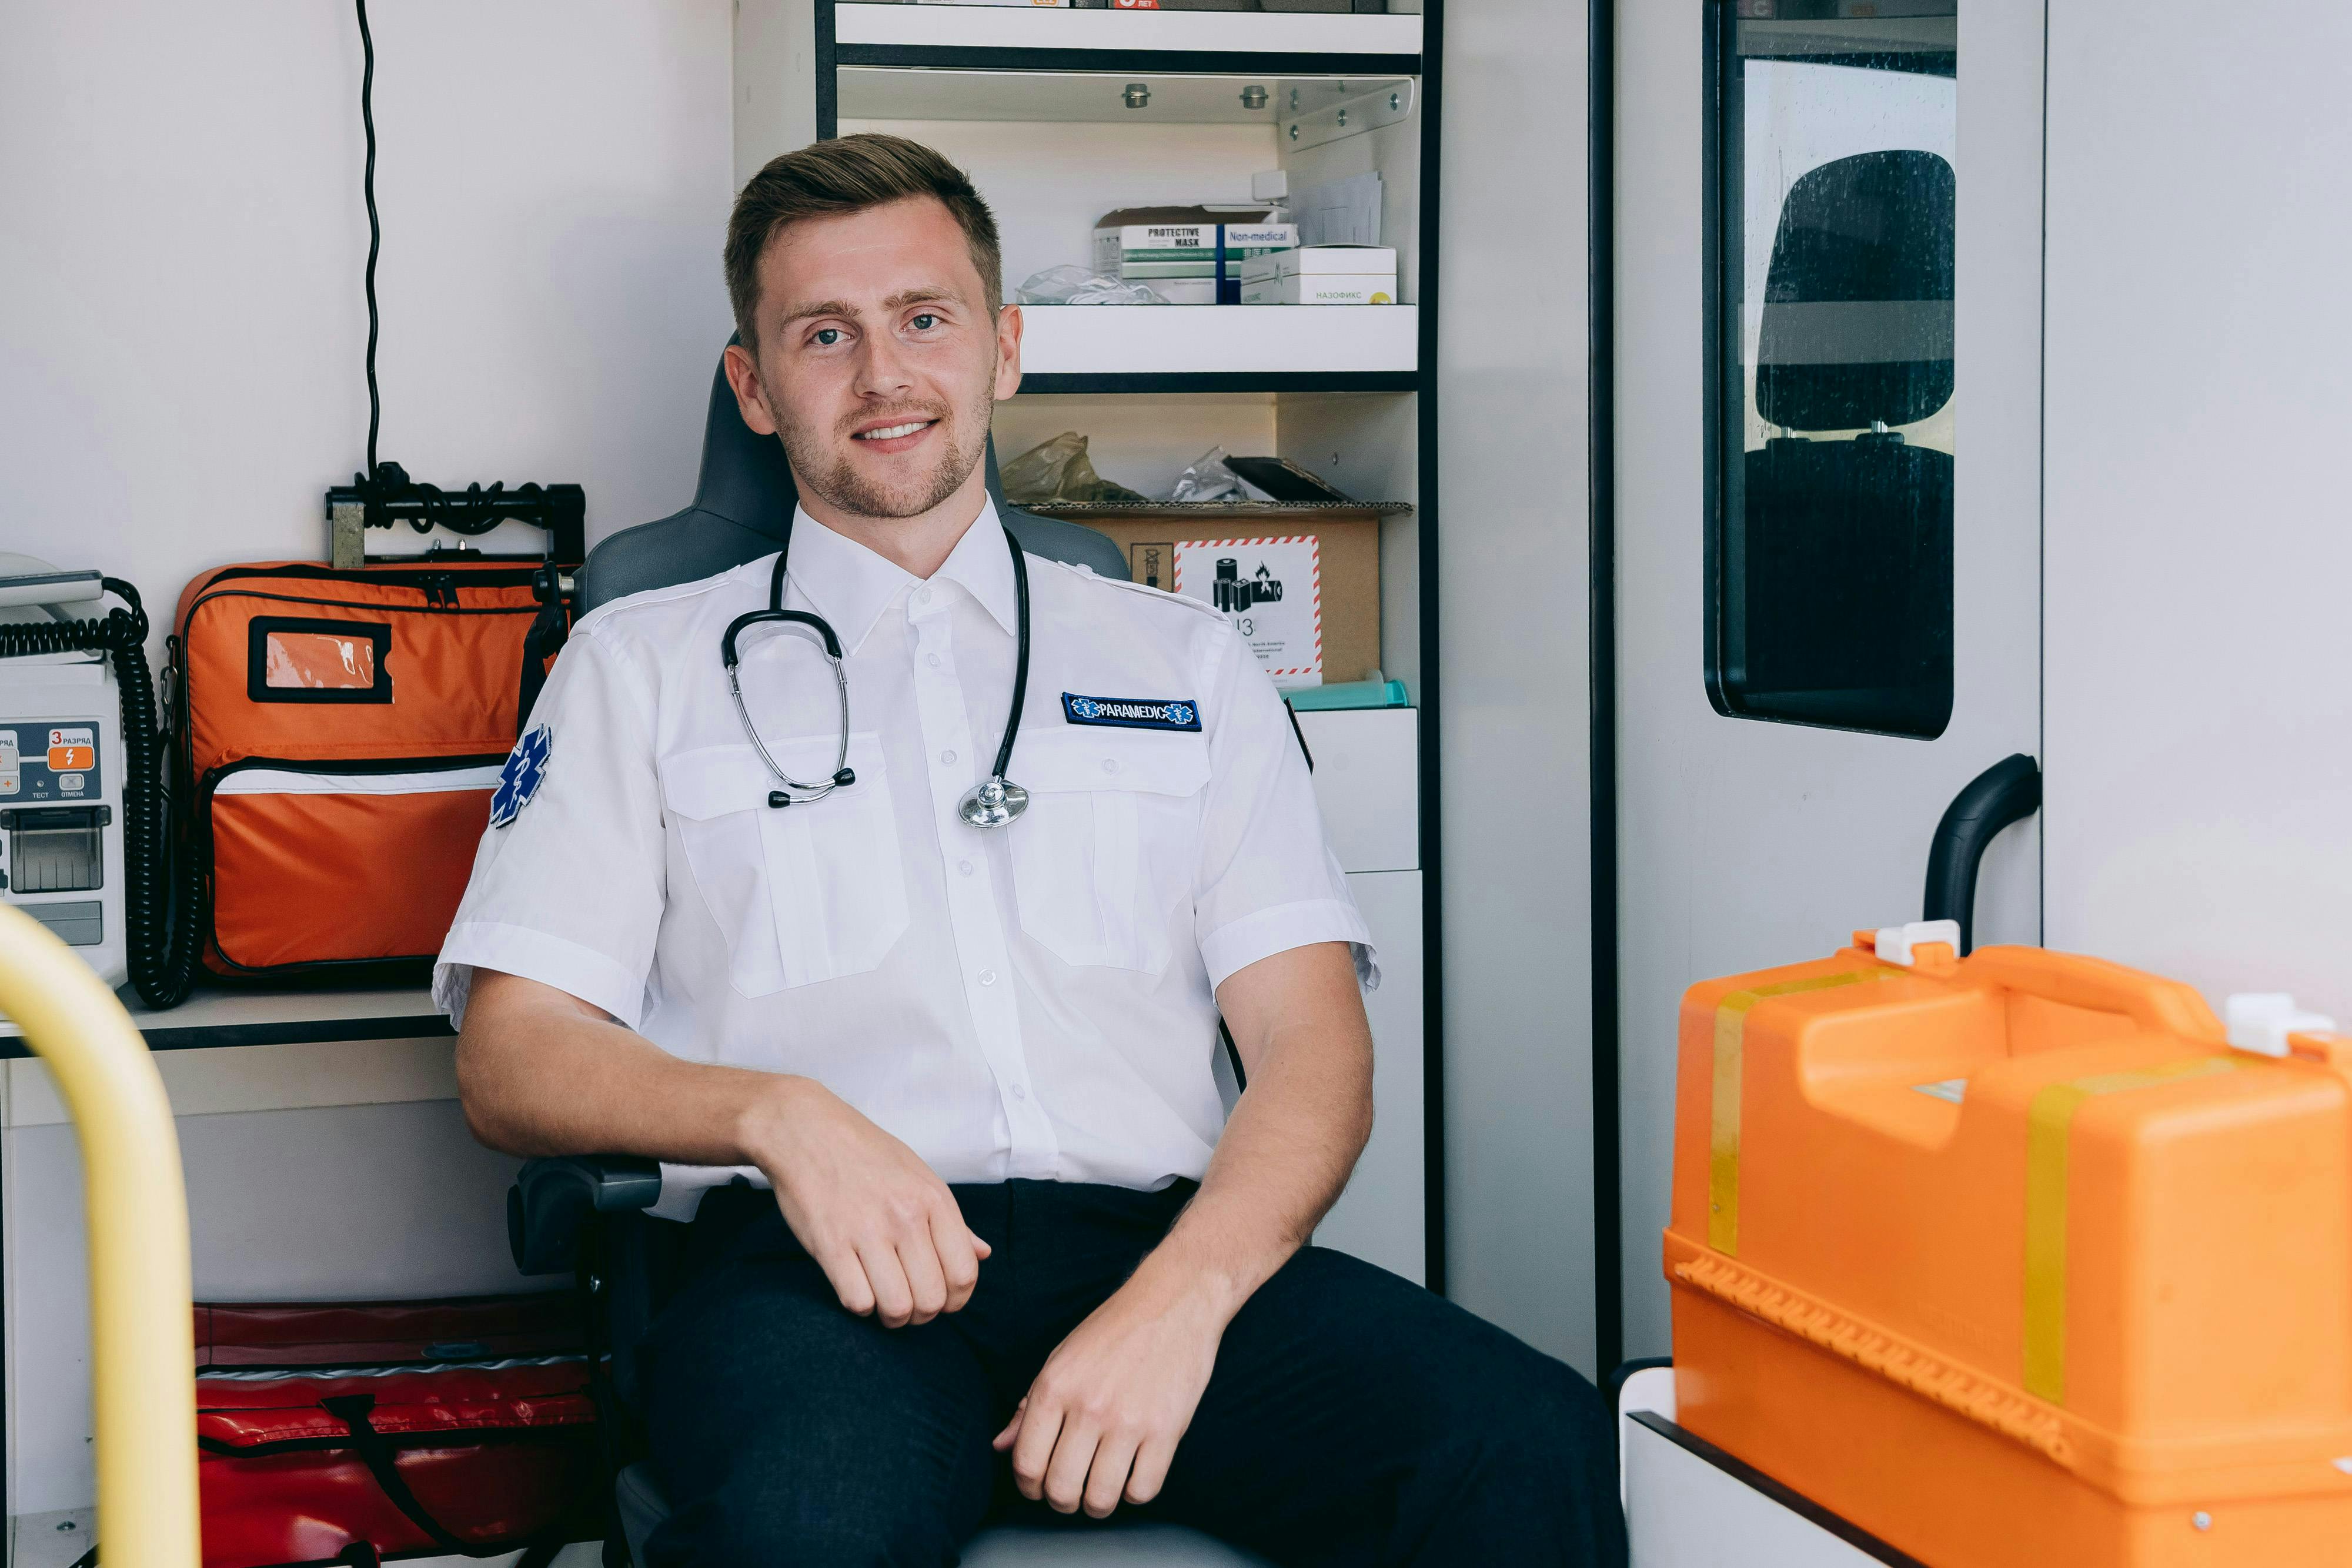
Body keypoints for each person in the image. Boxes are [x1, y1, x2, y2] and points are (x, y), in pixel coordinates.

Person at [436, 132, 1625, 1568]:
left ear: (1004, 348)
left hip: (1157, 1257)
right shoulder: (639, 664)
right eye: (825, 334)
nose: (882, 374)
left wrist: (1178, 1304)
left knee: (1523, 1437)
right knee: (807, 1534)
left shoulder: (1187, 662)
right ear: (754, 385)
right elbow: (511, 1055)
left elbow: (1314, 1055)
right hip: (812, 1288)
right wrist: (780, 1115)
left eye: (924, 319)